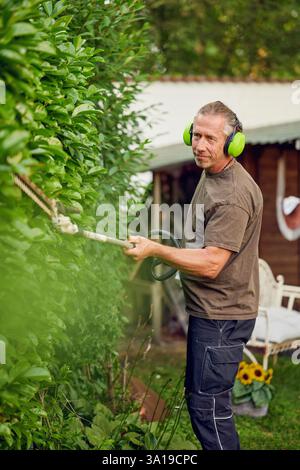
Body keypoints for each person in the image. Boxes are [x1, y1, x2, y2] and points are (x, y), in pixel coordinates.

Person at [124, 101, 263, 450]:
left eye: (210, 139)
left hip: (222, 315)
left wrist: (157, 251)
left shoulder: (233, 195)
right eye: (196, 135)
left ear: (233, 143)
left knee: (208, 407)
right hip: (212, 311)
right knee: (202, 399)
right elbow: (204, 242)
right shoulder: (213, 172)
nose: (199, 145)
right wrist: (171, 246)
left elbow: (213, 263)